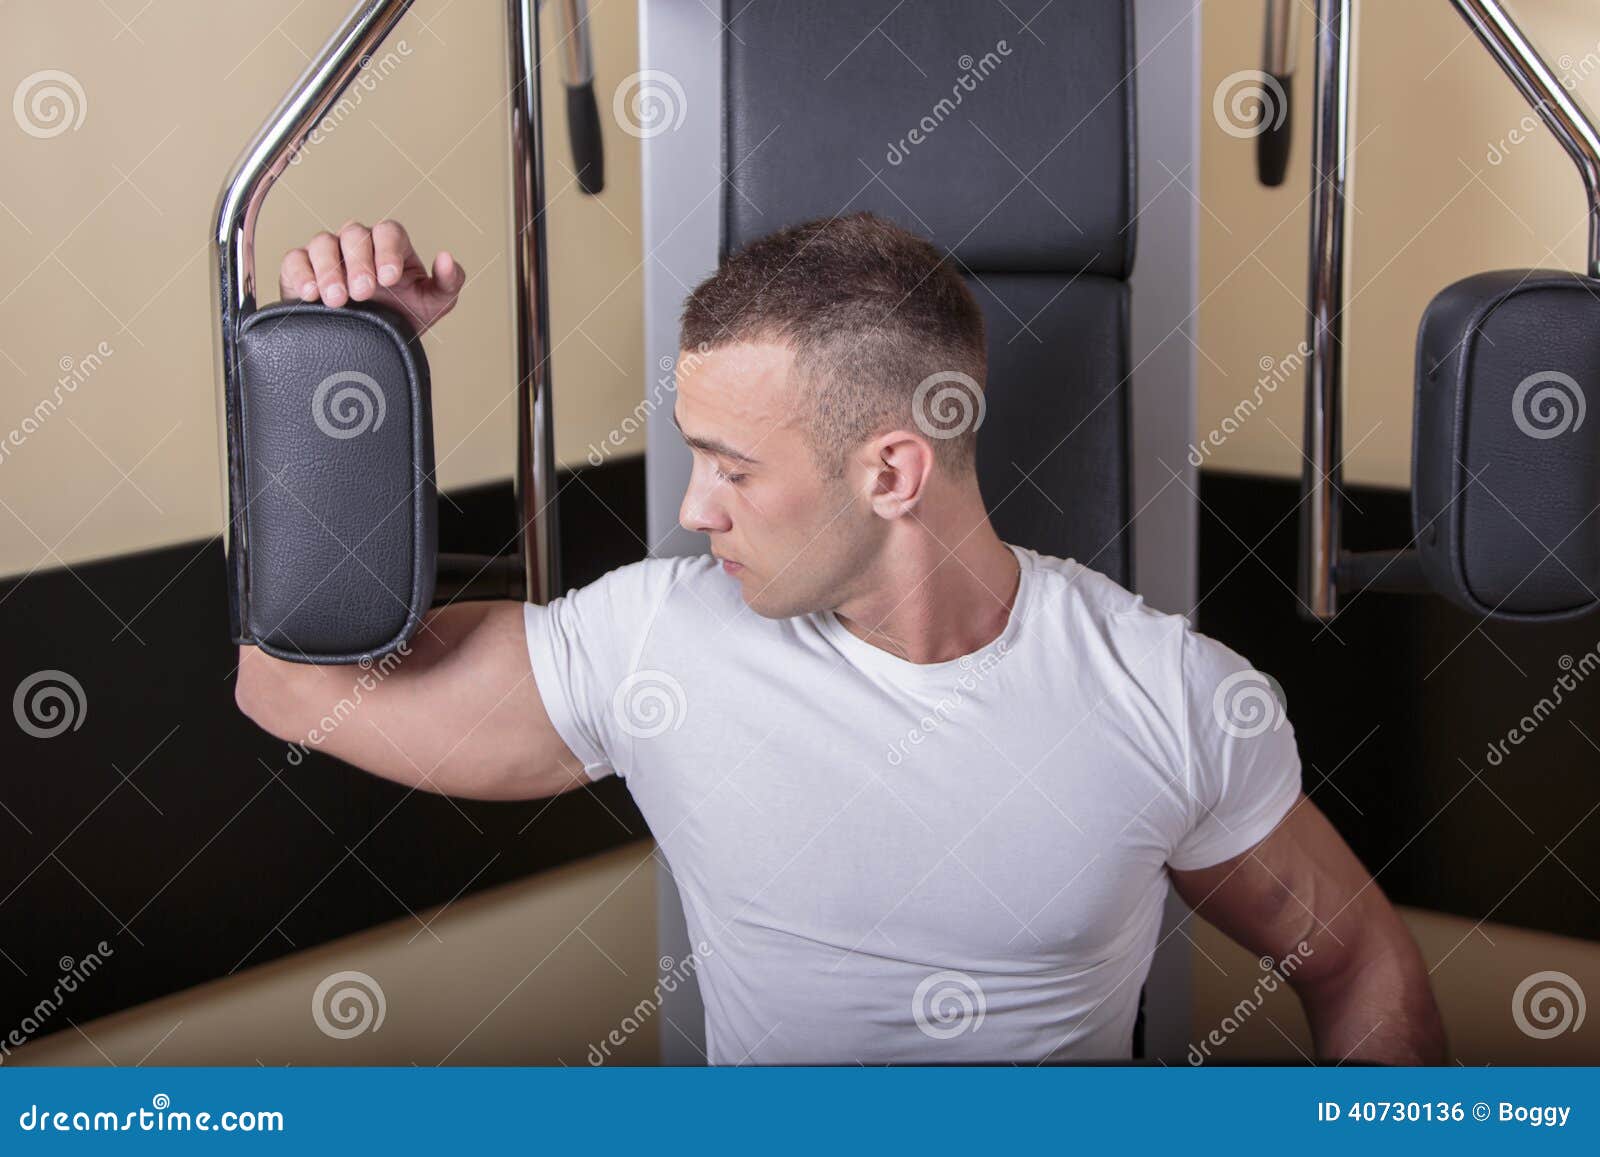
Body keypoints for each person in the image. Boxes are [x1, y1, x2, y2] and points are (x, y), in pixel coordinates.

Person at [238, 211, 1447, 1065]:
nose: (690, 507)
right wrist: (335, 389)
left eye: (731, 465)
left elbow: (1357, 963)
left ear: (891, 469)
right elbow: (288, 690)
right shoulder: (658, 641)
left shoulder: (1165, 691)